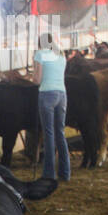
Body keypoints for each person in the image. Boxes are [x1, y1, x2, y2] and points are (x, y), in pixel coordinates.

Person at [33, 33, 71, 182]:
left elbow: (37, 79)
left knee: (49, 134)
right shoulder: (61, 55)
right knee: (60, 133)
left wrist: (31, 77)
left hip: (47, 94)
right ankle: (65, 172)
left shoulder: (40, 54)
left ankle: (49, 174)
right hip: (62, 95)